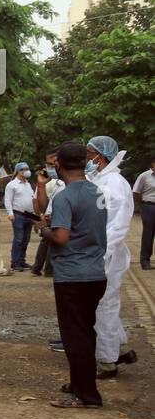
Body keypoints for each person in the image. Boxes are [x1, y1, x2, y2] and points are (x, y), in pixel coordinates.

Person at [43, 143, 109, 408]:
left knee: (74, 337)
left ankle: (87, 395)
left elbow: (61, 236)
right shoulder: (96, 191)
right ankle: (81, 382)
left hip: (72, 275)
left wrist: (44, 231)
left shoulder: (65, 196)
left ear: (58, 164)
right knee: (85, 332)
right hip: (95, 272)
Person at [86, 136, 137, 378]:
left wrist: (101, 253)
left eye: (89, 153)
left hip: (107, 253)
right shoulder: (101, 179)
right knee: (107, 303)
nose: (86, 159)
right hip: (102, 251)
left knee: (103, 305)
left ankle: (107, 361)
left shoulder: (115, 183)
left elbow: (118, 225)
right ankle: (119, 348)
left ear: (101, 155)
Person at [31, 159, 64, 276]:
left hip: (49, 216)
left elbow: (36, 201)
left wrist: (39, 216)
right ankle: (48, 269)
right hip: (52, 217)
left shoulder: (57, 182)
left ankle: (37, 267)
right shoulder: (52, 182)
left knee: (46, 241)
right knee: (51, 242)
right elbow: (36, 200)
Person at [3, 161, 38, 271]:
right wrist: (10, 214)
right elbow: (8, 200)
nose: (27, 171)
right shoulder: (12, 185)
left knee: (26, 239)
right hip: (18, 215)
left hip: (29, 215)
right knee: (18, 239)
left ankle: (22, 261)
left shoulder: (28, 184)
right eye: (25, 169)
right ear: (18, 171)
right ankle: (15, 262)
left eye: (28, 168)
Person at [133, 153, 155, 271]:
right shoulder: (144, 176)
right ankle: (145, 261)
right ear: (152, 164)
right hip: (149, 207)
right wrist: (142, 205)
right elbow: (136, 192)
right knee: (148, 234)